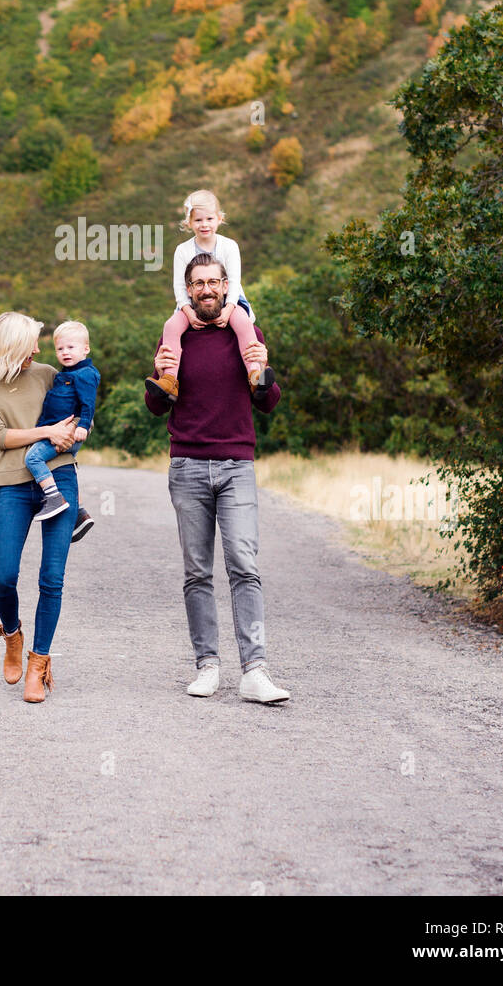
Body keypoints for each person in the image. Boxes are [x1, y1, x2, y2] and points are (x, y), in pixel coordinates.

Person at [145, 252, 291, 705]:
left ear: (226, 285)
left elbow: (268, 402)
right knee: (197, 572)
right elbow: (155, 406)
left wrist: (264, 372)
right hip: (186, 464)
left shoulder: (247, 334)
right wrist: (158, 372)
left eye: (214, 281)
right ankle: (207, 666)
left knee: (245, 566)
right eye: (199, 283)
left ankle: (255, 671)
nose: (207, 289)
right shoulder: (177, 337)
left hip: (236, 466)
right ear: (188, 290)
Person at [0, 312, 82, 703]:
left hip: (61, 477)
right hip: (13, 484)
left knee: (52, 578)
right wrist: (47, 432)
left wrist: (73, 432)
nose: (38, 349)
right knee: (3, 576)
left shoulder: (50, 373)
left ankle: (39, 663)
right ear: (13, 346)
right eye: (31, 342)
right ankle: (13, 635)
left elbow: (77, 415)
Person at [145, 188, 261, 403]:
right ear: (189, 222)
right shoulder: (182, 250)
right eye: (198, 220)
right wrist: (187, 312)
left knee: (244, 324)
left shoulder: (229, 246)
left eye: (209, 218)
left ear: (219, 219)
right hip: (192, 303)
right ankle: (169, 380)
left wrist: (229, 308)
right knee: (170, 327)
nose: (204, 224)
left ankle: (255, 375)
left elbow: (234, 281)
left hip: (229, 299)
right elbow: (180, 286)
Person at [24, 320, 100, 523]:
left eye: (71, 347)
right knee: (61, 467)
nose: (65, 352)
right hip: (56, 430)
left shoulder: (84, 374)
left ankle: (53, 498)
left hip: (69, 433)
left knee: (33, 459)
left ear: (86, 349)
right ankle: (79, 512)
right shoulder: (67, 373)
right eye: (60, 348)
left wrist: (82, 425)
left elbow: (88, 404)